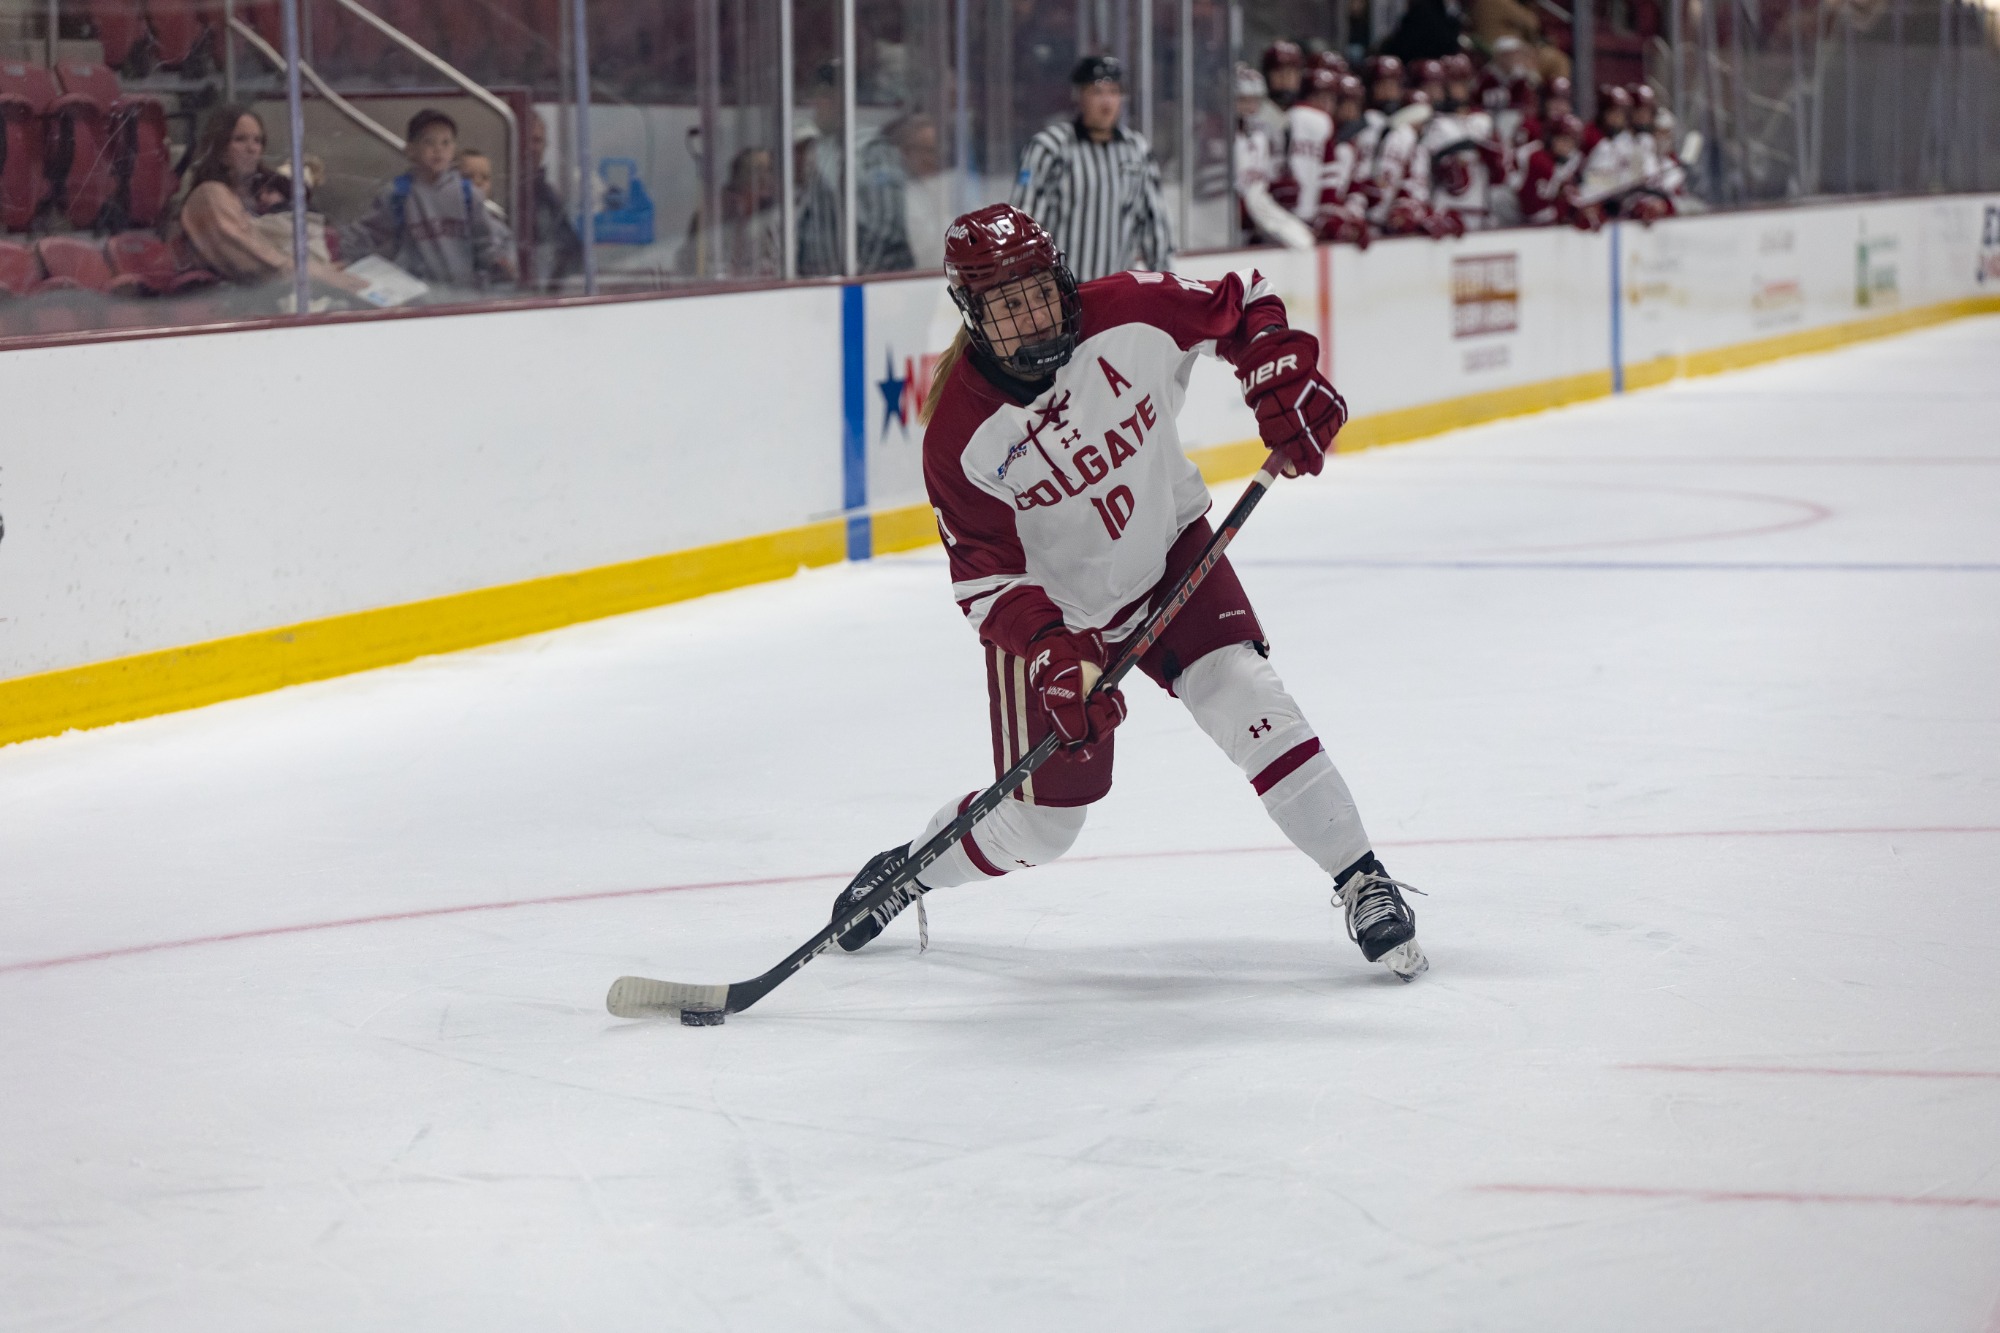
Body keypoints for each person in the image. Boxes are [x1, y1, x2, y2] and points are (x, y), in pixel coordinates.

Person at [826, 202, 1429, 983]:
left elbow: (1242, 298)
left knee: (1248, 693)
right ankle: (911, 869)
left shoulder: (1128, 311)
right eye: (1007, 304)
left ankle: (1362, 877)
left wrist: (1278, 370)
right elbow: (986, 580)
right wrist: (1049, 651)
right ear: (973, 315)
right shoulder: (959, 432)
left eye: (1039, 289)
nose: (1032, 313)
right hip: (1061, 621)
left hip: (1170, 551)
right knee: (1045, 829)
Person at [172, 104, 367, 298]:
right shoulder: (210, 195)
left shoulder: (268, 191)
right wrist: (312, 273)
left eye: (257, 140)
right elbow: (251, 258)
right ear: (219, 147)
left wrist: (325, 269)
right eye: (239, 139)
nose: (251, 149)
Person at [1011, 55, 1173, 283]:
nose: (1107, 102)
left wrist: (1166, 284)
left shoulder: (1137, 150)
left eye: (1114, 92)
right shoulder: (1050, 147)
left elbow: (1154, 223)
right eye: (1097, 92)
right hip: (1061, 290)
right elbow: (1024, 223)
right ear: (1079, 96)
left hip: (1117, 291)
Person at [340, 110, 515, 298]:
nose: (438, 149)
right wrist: (341, 259)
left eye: (446, 143)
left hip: (463, 295)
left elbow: (485, 243)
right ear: (411, 150)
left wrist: (501, 265)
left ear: (453, 150)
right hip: (415, 297)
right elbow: (367, 234)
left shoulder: (467, 194)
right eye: (429, 142)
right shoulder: (398, 193)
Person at [523, 115, 583, 292]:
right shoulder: (489, 188)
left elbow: (572, 252)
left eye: (537, 141)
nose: (532, 148)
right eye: (526, 139)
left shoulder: (549, 197)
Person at [457, 148, 517, 257]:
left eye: (485, 177)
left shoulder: (500, 230)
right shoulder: (447, 223)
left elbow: (510, 266)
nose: (478, 182)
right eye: (468, 177)